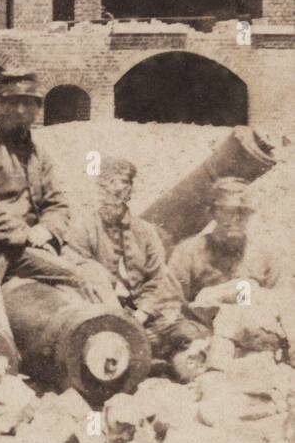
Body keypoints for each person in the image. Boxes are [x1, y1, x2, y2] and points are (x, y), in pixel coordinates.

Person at [0, 71, 103, 300]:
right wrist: (27, 234)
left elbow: (57, 202)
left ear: (37, 109)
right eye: (13, 103)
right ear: (0, 106)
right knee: (77, 276)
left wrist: (47, 230)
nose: (21, 111)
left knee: (97, 272)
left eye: (28, 103)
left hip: (35, 247)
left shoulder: (39, 153)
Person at [142, 178, 289, 378]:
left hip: (254, 339)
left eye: (243, 213)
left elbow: (282, 303)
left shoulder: (265, 255)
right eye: (228, 211)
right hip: (200, 339)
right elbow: (167, 304)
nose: (236, 219)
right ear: (213, 213)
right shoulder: (188, 252)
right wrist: (195, 333)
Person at [67, 158, 166, 317]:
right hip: (100, 311)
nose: (116, 188)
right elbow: (76, 273)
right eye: (109, 182)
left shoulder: (146, 231)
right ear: (99, 187)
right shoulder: (83, 228)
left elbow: (159, 280)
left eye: (124, 182)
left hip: (145, 314)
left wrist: (144, 312)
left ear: (131, 189)